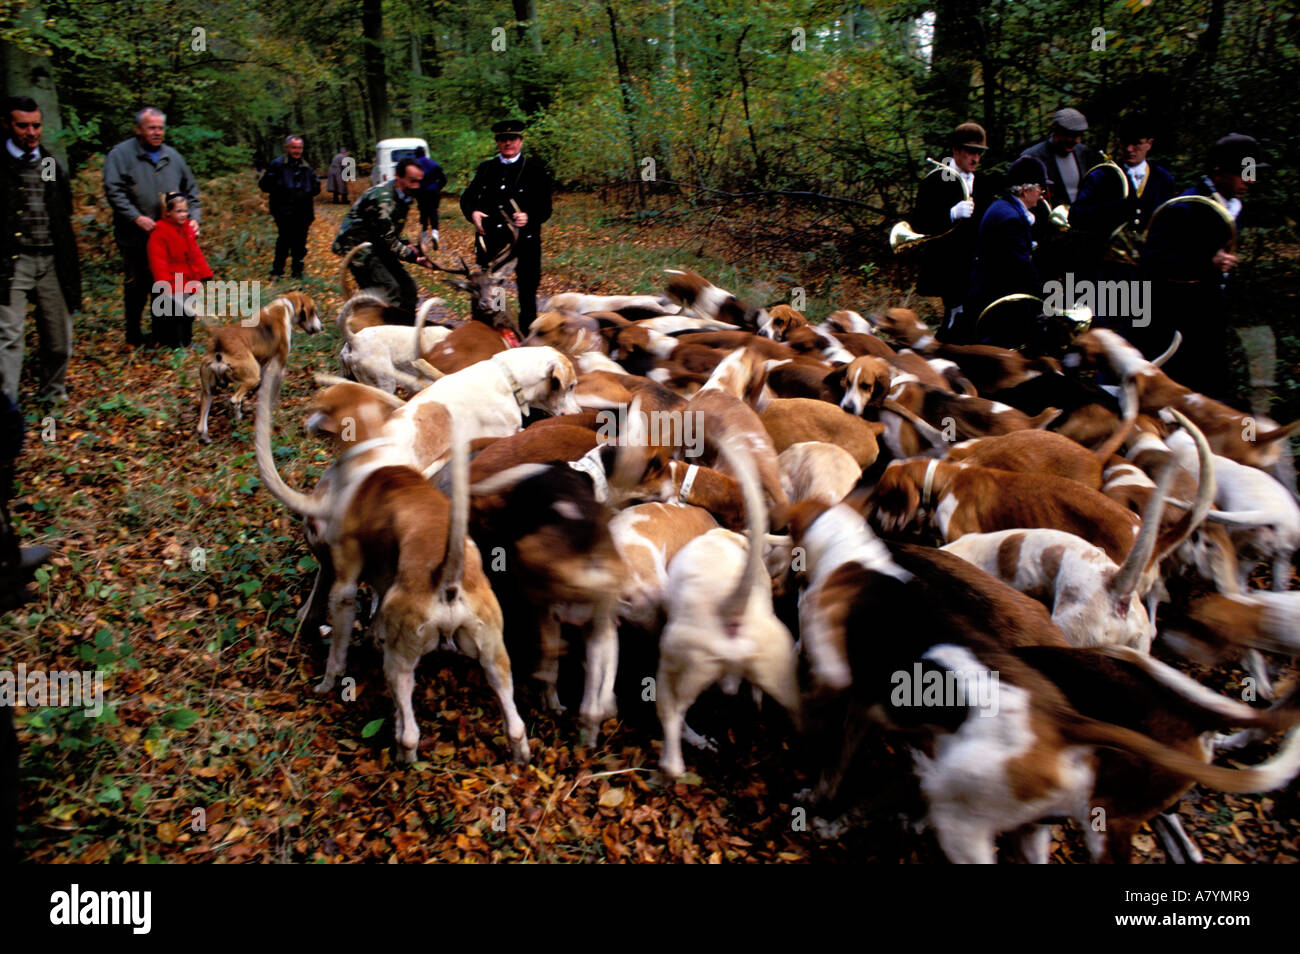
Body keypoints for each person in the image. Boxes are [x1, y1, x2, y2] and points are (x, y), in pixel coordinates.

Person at [1140, 134, 1263, 399]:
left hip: (1211, 314)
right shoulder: (1185, 207)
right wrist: (1206, 263)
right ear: (1218, 172)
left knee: (1212, 385)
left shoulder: (1233, 206)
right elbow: (1153, 261)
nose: (1250, 181)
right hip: (1179, 318)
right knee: (1183, 387)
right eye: (1244, 174)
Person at [0, 95, 81, 405]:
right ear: (7, 124)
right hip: (12, 262)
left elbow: (61, 212)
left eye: (36, 125)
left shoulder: (49, 164)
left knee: (59, 339)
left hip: (51, 260)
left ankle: (52, 394)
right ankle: (5, 407)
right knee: (8, 337)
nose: (31, 132)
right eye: (23, 126)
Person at [103, 107, 201, 346]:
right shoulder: (121, 155)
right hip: (135, 236)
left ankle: (164, 335)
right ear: (138, 129)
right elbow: (113, 191)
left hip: (172, 239)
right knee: (137, 285)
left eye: (160, 128)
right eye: (151, 128)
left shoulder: (173, 156)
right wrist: (136, 217)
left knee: (167, 284)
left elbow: (192, 191)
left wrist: (194, 218)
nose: (157, 132)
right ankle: (133, 334)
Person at [460, 119, 552, 334]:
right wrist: (472, 212)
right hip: (493, 242)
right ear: (497, 142)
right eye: (503, 139)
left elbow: (546, 207)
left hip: (526, 242)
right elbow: (467, 199)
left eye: (512, 139)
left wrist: (530, 217)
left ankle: (527, 336)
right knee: (494, 291)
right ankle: (499, 331)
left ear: (520, 141)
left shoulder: (535, 169)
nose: (508, 143)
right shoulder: (487, 168)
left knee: (527, 292)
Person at [911, 122, 993, 341]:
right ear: (956, 151)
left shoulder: (984, 184)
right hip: (949, 264)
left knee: (973, 318)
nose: (975, 158)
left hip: (977, 264)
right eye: (970, 152)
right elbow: (919, 223)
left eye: (979, 153)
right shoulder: (936, 181)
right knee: (955, 319)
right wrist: (950, 214)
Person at [967, 155, 1051, 339]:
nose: (1042, 193)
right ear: (1026, 190)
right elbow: (1022, 268)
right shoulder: (1011, 219)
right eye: (1040, 188)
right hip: (995, 301)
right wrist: (1047, 300)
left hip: (991, 294)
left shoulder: (1005, 207)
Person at [331, 157, 429, 314]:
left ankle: (405, 330)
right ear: (398, 176)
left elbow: (389, 231)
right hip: (357, 248)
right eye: (412, 181)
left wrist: (406, 245)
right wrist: (413, 256)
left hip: (377, 244)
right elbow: (388, 238)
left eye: (419, 181)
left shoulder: (403, 195)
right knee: (389, 290)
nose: (416, 186)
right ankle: (371, 331)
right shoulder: (382, 199)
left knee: (408, 288)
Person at [147, 193, 212, 348]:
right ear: (168, 212)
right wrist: (165, 285)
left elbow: (195, 253)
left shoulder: (187, 229)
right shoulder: (159, 232)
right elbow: (158, 261)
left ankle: (187, 340)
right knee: (173, 314)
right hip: (172, 280)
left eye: (185, 211)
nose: (184, 214)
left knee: (188, 313)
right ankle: (174, 343)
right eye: (179, 211)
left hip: (188, 278)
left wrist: (204, 272)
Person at [259, 135, 320, 280]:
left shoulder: (306, 166)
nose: (297, 151)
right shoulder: (277, 165)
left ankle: (297, 272)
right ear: (287, 148)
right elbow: (264, 185)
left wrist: (307, 190)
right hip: (283, 211)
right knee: (284, 240)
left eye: (299, 148)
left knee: (300, 242)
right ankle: (277, 271)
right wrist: (280, 191)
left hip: (303, 211)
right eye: (294, 147)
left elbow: (316, 188)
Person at [412, 145, 447, 242]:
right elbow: (443, 179)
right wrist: (437, 187)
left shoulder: (415, 166)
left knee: (423, 211)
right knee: (433, 211)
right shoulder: (434, 164)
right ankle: (435, 233)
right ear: (424, 153)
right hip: (433, 191)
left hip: (421, 192)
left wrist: (414, 193)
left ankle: (424, 234)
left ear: (416, 155)